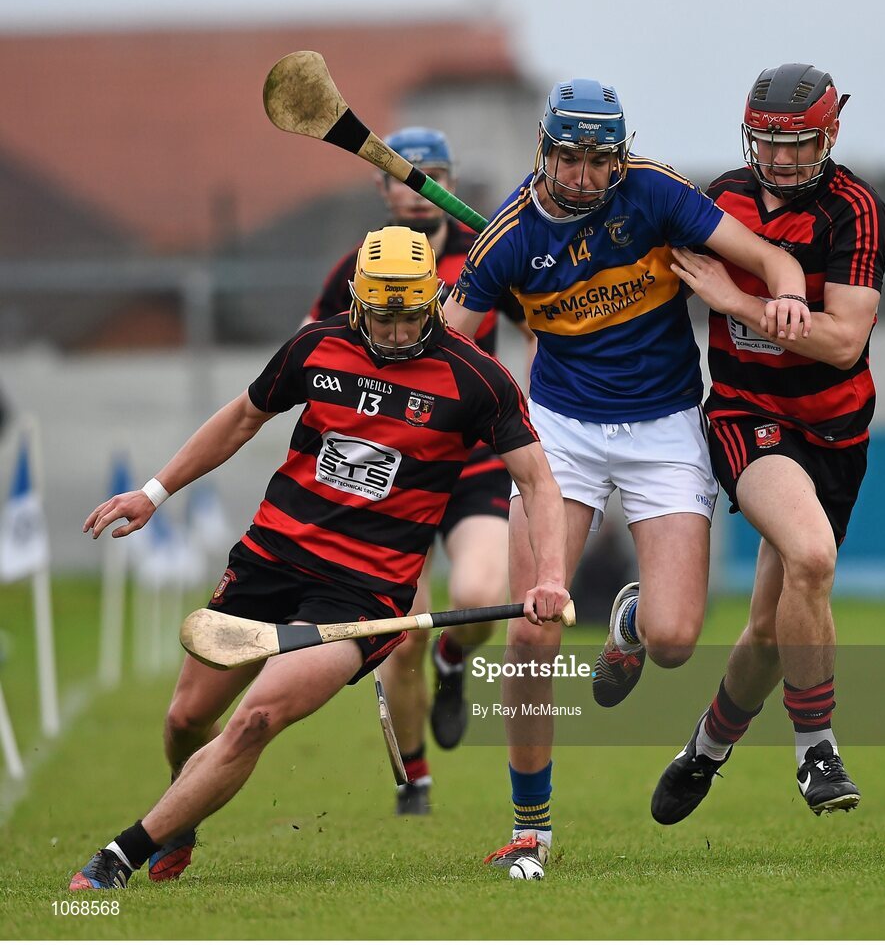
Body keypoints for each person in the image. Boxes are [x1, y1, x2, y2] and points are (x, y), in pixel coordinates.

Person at [69, 226, 569, 891]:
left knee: (255, 719)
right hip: (270, 558)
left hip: (363, 593)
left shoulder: (475, 377)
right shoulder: (318, 344)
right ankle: (179, 815)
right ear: (360, 302)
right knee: (187, 718)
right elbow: (241, 418)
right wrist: (155, 492)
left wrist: (552, 576)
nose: (394, 334)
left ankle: (119, 856)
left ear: (434, 304)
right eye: (382, 318)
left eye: (410, 318)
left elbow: (538, 483)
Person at [442, 77, 810, 872]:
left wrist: (783, 299)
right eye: (567, 158)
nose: (581, 176)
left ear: (620, 156)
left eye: (598, 161)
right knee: (532, 636)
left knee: (676, 640)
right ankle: (530, 827)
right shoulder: (507, 235)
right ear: (544, 150)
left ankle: (631, 623)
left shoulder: (653, 193)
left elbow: (769, 258)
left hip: (666, 425)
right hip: (561, 434)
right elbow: (448, 346)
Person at [650, 63, 885, 825]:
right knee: (812, 555)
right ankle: (816, 747)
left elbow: (844, 343)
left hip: (837, 431)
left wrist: (733, 300)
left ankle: (707, 748)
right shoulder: (719, 201)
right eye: (768, 142)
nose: (782, 158)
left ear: (831, 134)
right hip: (746, 417)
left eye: (799, 142)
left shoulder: (856, 211)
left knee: (768, 623)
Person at [308, 127, 536, 815]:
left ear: (450, 185)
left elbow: (545, 328)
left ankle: (454, 660)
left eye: (429, 175)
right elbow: (313, 351)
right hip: (390, 473)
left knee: (475, 598)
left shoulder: (487, 258)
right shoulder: (356, 267)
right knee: (398, 637)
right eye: (401, 177)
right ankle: (416, 779)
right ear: (381, 187)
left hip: (470, 465)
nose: (415, 188)